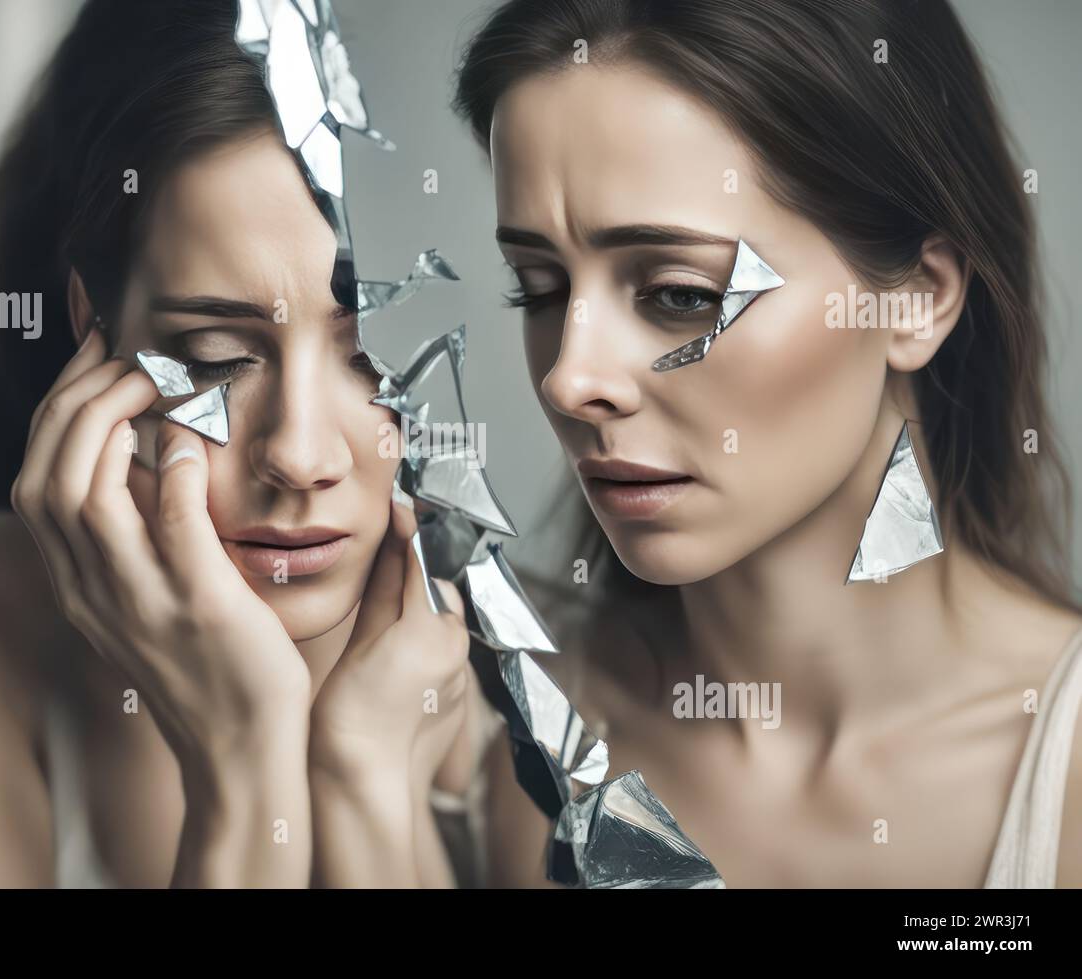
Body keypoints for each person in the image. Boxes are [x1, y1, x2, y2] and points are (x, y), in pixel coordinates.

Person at [0, 0, 479, 888]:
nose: (302, 455)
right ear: (96, 332)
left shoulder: (559, 696)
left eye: (377, 355)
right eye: (215, 357)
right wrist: (243, 769)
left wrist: (364, 789)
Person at [453, 0, 1082, 887]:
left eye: (679, 292)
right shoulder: (504, 737)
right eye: (539, 286)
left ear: (917, 300)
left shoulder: (1063, 768)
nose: (568, 377)